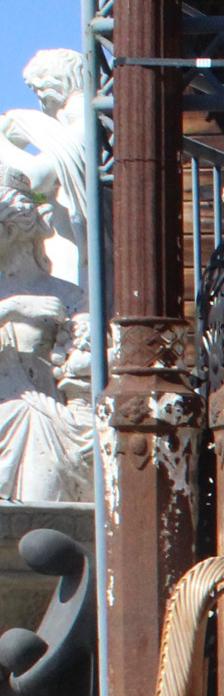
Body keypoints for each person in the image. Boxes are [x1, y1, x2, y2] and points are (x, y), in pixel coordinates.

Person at [0, 173, 93, 506]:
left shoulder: (65, 294)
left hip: (40, 419)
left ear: (11, 230)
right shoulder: (17, 301)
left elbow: (85, 363)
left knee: (44, 527)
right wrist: (12, 308)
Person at [0, 49, 88, 288]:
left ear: (56, 82)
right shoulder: (70, 124)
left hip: (71, 231)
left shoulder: (84, 120)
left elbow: (36, 177)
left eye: (38, 89)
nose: (40, 100)